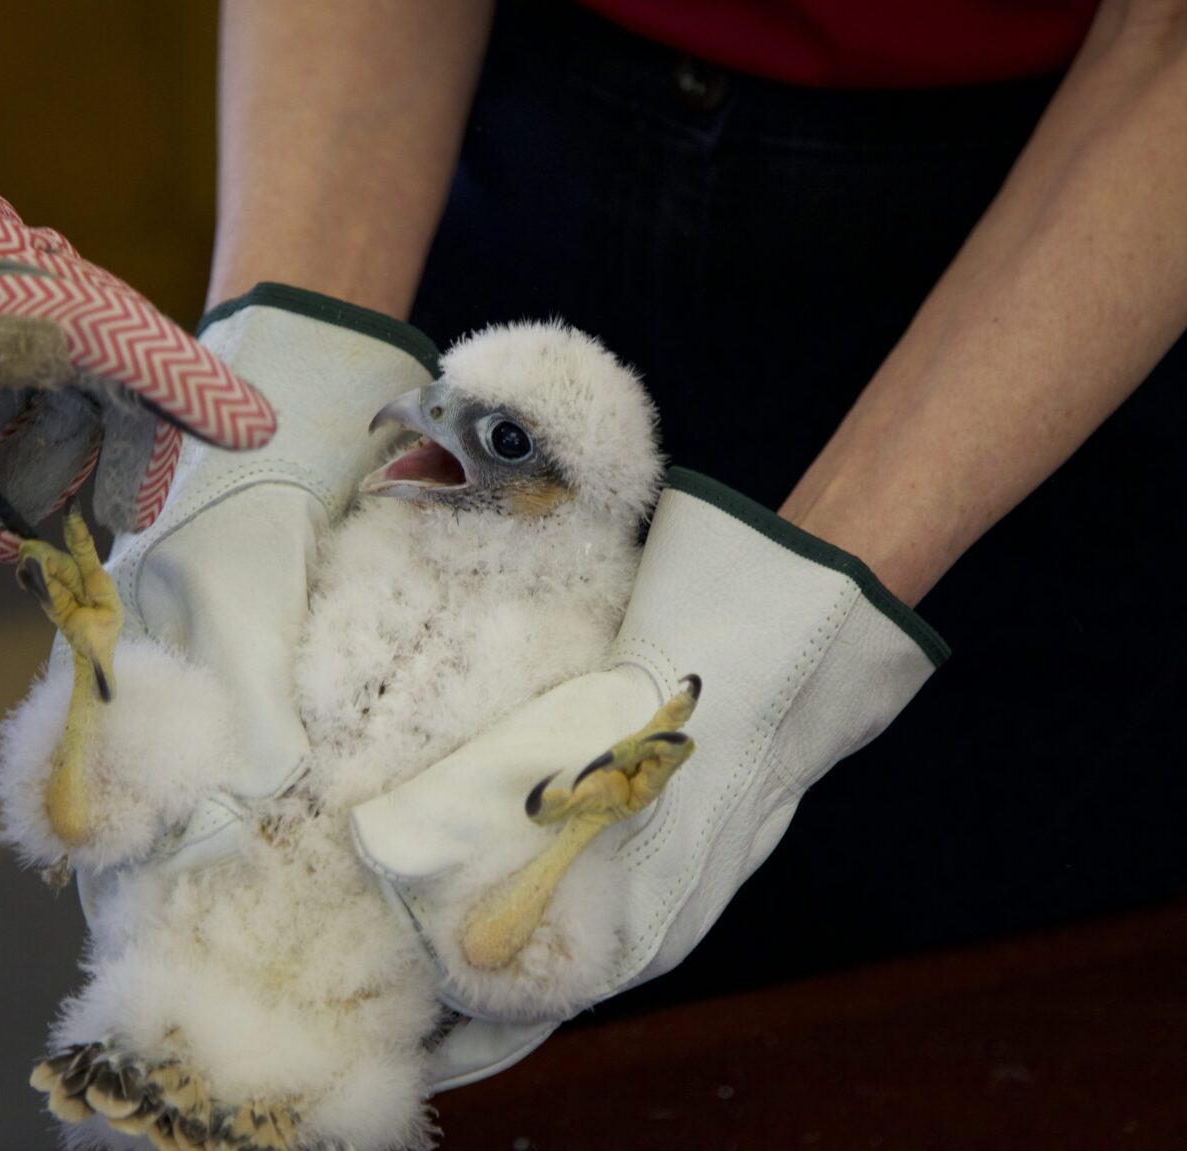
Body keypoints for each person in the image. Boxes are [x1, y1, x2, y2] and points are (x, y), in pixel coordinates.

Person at [185, 0, 1187, 1074]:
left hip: (1059, 266)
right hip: (501, 143)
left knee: (962, 1048)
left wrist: (806, 628)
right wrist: (278, 387)